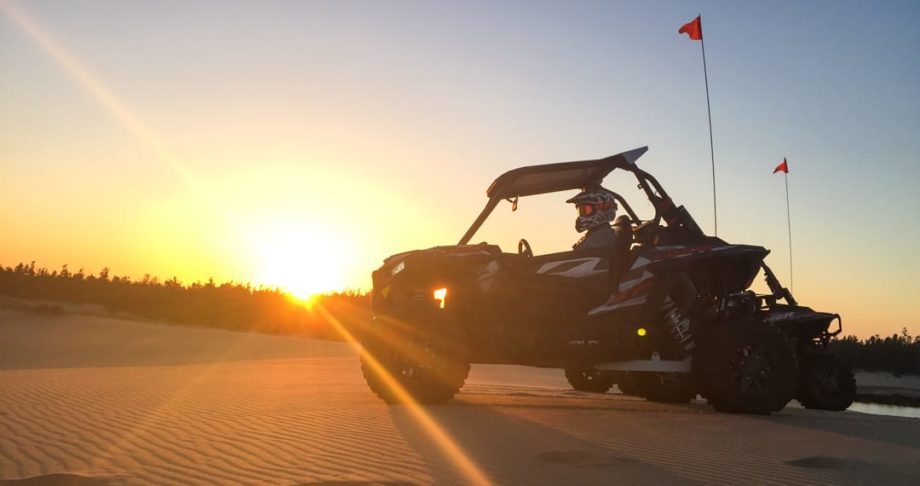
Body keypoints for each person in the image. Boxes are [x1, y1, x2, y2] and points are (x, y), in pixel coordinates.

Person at [567, 187, 619, 256]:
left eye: (586, 210)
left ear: (604, 208)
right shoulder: (596, 234)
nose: (581, 215)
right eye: (580, 211)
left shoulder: (602, 237)